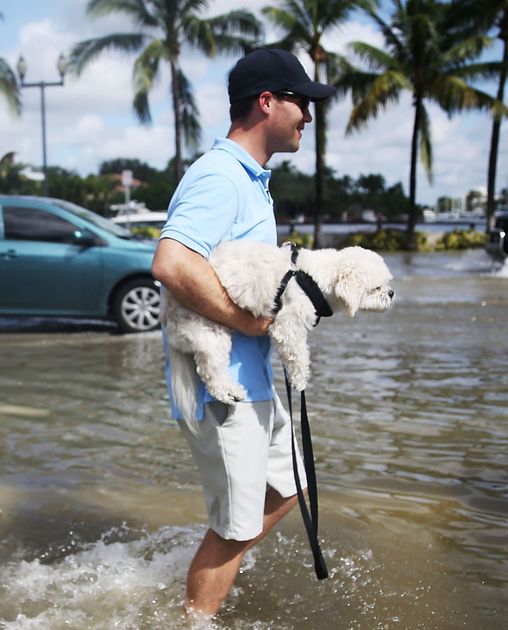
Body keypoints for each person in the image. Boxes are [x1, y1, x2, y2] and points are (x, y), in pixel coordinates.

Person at [150, 48, 336, 616]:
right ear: (266, 102)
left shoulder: (252, 180)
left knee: (292, 485)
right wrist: (251, 322)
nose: (309, 115)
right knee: (233, 530)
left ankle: (211, 563)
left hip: (249, 379)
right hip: (223, 386)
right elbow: (172, 263)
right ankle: (199, 607)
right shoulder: (221, 176)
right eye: (301, 102)